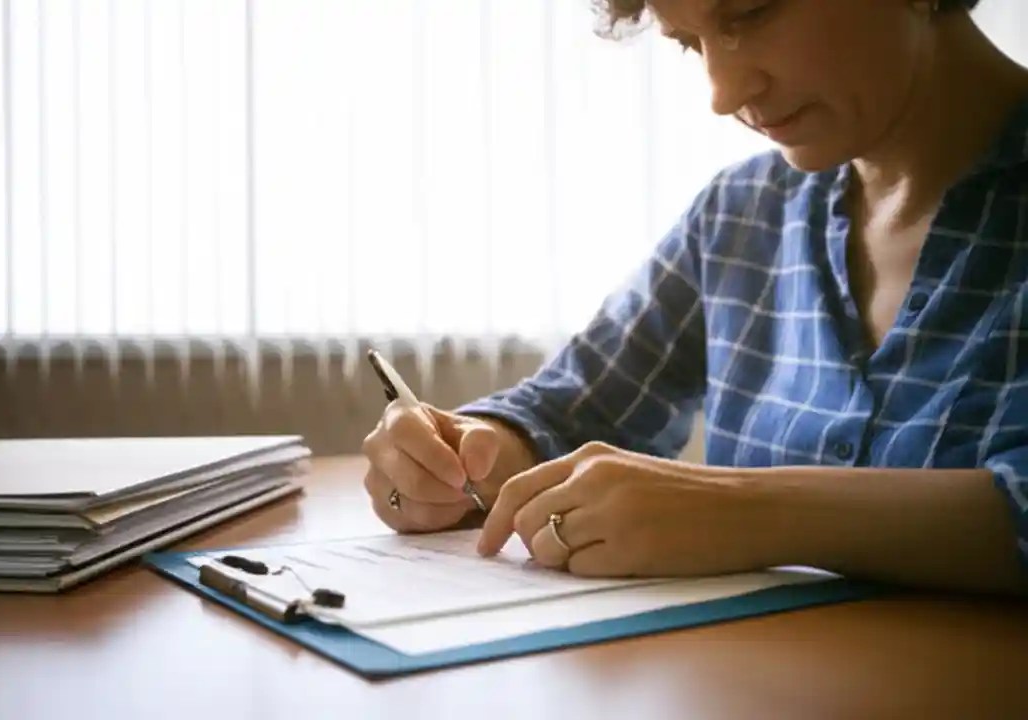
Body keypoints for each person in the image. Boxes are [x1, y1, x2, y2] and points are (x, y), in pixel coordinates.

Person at [360, 0, 1028, 595]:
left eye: (751, 14)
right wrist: (468, 455)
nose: (722, 91)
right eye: (689, 42)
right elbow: (572, 407)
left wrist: (747, 511)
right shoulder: (743, 211)